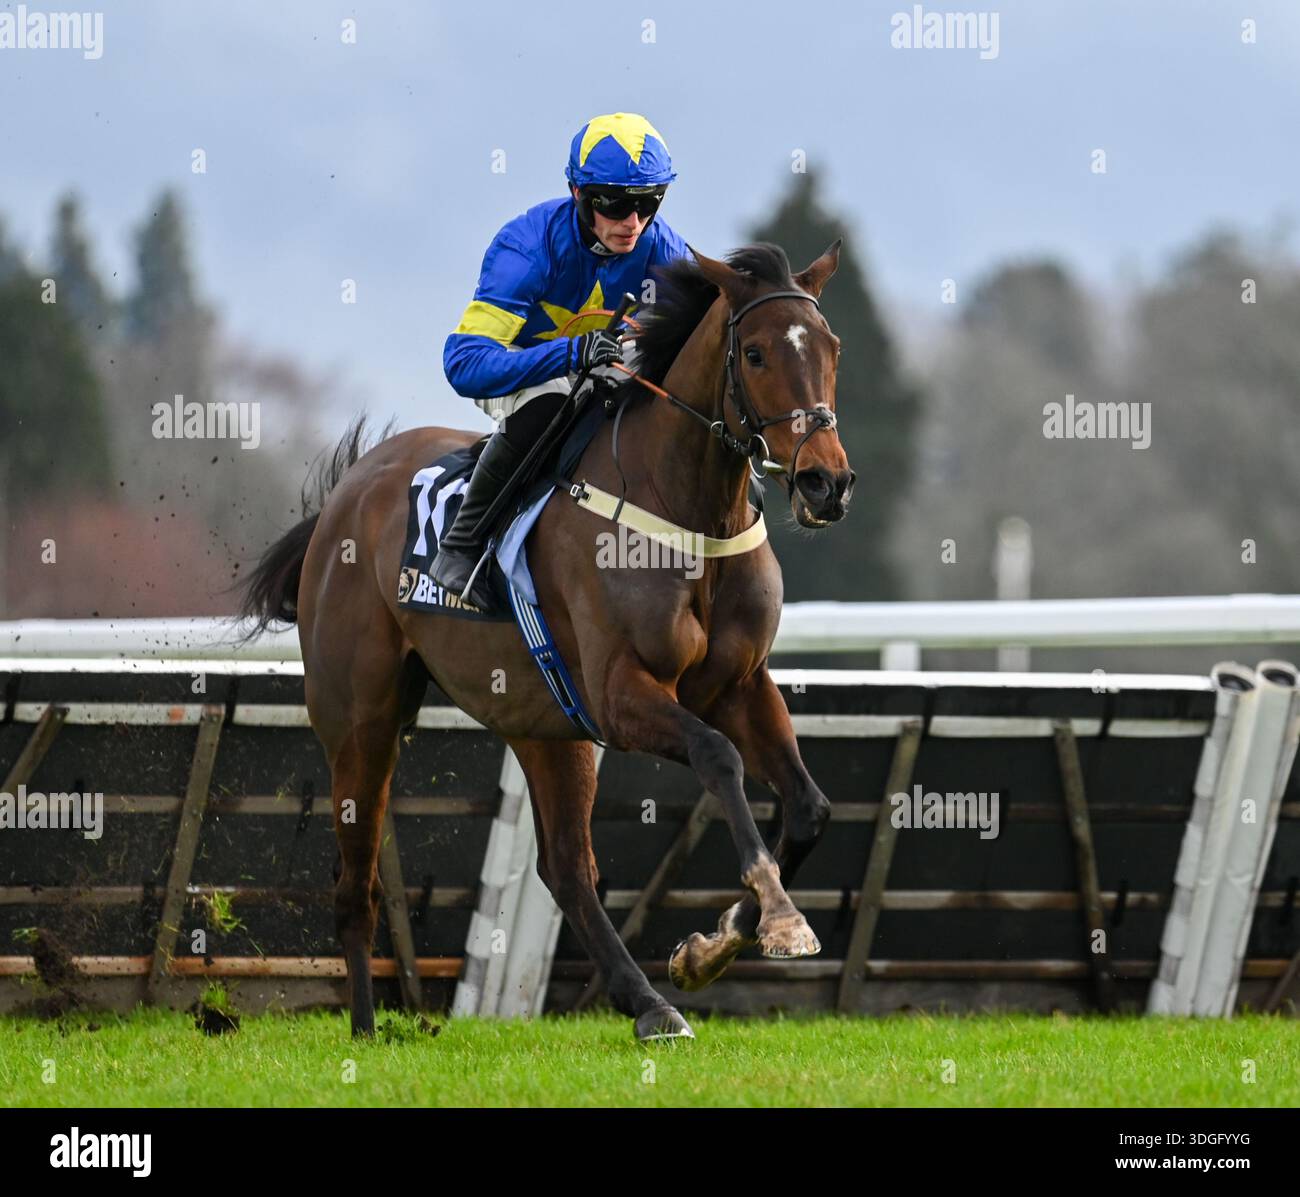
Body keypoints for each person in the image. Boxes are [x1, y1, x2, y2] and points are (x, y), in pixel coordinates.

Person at [432, 112, 690, 609]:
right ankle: (461, 546)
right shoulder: (527, 246)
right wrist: (568, 354)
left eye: (647, 203)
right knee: (553, 403)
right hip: (524, 366)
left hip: (606, 361)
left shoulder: (665, 249)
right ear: (579, 194)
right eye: (615, 204)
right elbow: (464, 363)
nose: (632, 222)